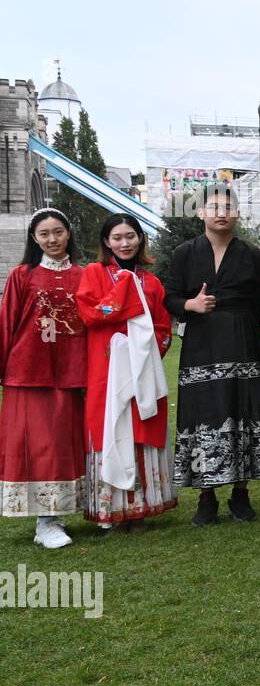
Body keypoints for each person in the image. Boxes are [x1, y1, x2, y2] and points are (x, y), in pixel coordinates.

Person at [164, 185, 260, 525]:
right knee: (203, 416)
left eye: (228, 206)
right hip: (200, 345)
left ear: (237, 213)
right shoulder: (184, 254)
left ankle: (241, 493)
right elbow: (169, 297)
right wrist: (191, 304)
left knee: (242, 413)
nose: (221, 212)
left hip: (242, 344)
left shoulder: (252, 255)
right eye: (214, 206)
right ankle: (206, 497)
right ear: (201, 213)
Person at [74, 213, 177, 528]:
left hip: (143, 369)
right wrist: (123, 289)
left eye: (130, 236)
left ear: (140, 239)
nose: (124, 242)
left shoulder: (152, 282)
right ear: (107, 242)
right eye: (117, 237)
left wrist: (144, 352)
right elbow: (91, 314)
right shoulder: (94, 273)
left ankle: (142, 507)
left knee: (142, 429)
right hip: (105, 369)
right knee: (110, 427)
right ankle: (111, 510)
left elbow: (163, 328)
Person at [0, 208, 87, 547]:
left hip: (73, 373)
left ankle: (71, 513)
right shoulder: (22, 275)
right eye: (44, 234)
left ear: (69, 234)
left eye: (58, 232)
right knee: (39, 445)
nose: (52, 239)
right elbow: (7, 322)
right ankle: (45, 522)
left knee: (67, 444)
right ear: (34, 239)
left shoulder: (85, 275)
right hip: (29, 373)